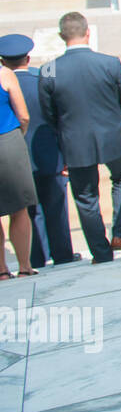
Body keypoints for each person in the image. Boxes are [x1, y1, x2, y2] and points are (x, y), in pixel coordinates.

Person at [38, 12, 121, 265]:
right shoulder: (110, 62)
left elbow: (49, 114)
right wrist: (114, 121)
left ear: (62, 36)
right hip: (113, 136)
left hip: (75, 142)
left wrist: (66, 132)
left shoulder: (48, 70)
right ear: (88, 32)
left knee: (86, 197)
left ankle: (101, 253)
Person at [1, 34, 78, 267]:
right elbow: (62, 117)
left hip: (14, 157)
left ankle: (36, 258)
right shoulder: (44, 76)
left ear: (3, 61)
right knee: (56, 206)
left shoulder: (5, 80)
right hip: (48, 152)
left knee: (28, 211)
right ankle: (63, 255)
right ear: (28, 57)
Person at [0, 36, 37, 279]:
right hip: (7, 140)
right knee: (19, 208)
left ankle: (2, 270)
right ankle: (24, 266)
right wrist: (18, 135)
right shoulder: (5, 74)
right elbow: (23, 115)